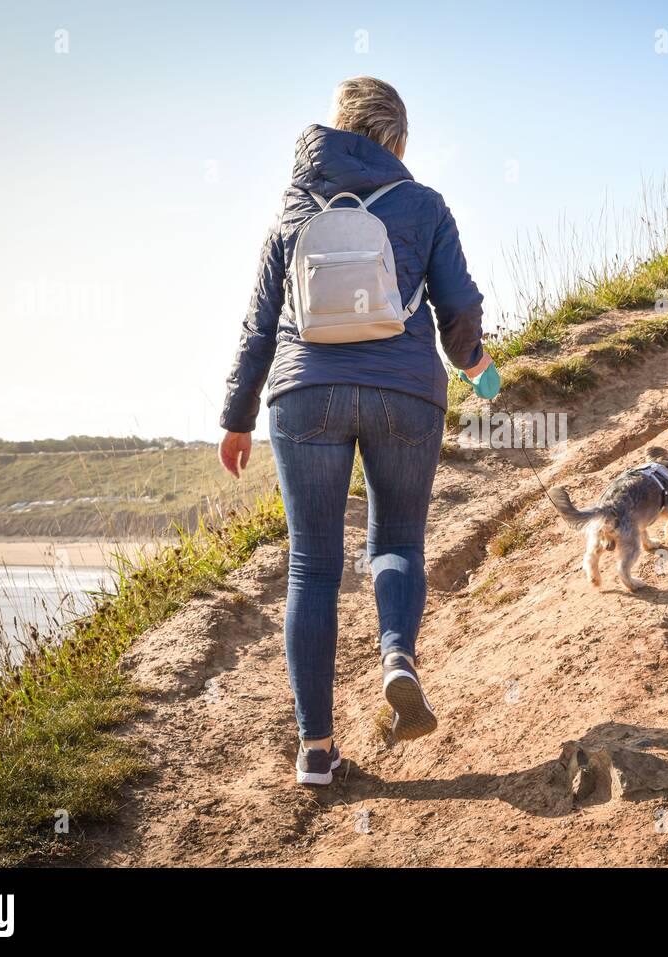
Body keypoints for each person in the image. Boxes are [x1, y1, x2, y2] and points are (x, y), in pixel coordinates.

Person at [218, 77, 500, 786]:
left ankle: (316, 751)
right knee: (398, 540)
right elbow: (458, 310)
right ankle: (398, 658)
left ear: (341, 130)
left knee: (312, 565)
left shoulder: (291, 210)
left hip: (304, 392)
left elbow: (258, 327)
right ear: (397, 141)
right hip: (404, 391)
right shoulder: (424, 205)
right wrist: (479, 370)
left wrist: (236, 418)